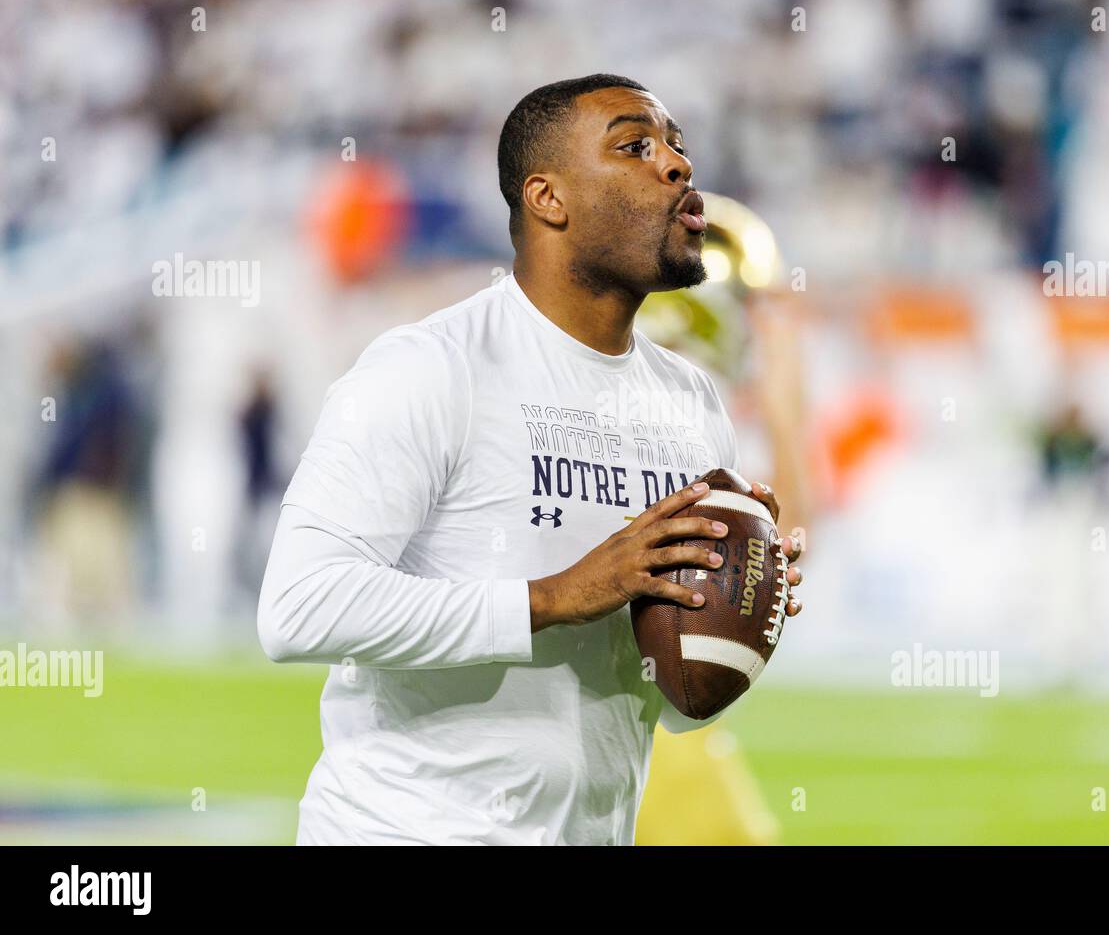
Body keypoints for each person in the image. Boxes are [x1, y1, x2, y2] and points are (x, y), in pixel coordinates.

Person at [257, 74, 807, 845]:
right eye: (636, 146)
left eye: (680, 146)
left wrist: (738, 607)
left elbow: (672, 714)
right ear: (548, 198)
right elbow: (298, 608)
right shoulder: (430, 367)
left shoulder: (690, 404)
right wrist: (554, 596)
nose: (679, 166)